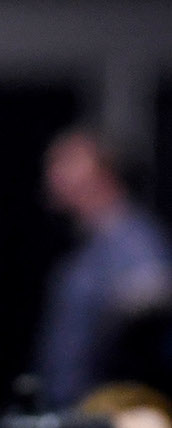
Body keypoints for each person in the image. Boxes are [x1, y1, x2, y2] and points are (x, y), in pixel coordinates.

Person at [34, 125, 172, 410]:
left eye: (64, 162)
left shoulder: (130, 237)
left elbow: (153, 295)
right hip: (75, 410)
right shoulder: (86, 246)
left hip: (109, 411)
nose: (51, 174)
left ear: (102, 171)